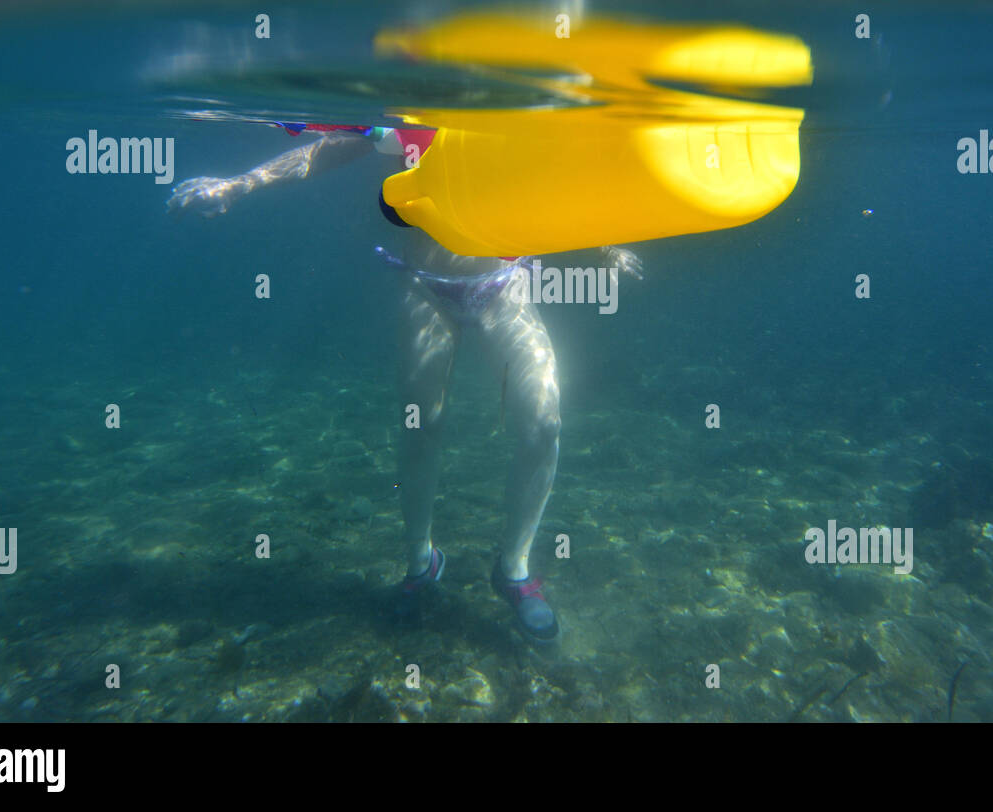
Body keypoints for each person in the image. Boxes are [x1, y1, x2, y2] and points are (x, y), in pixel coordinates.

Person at [169, 126, 643, 643]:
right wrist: (241, 183)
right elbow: (329, 146)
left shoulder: (514, 106)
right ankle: (421, 562)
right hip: (424, 285)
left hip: (504, 285)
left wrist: (604, 243)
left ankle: (514, 570)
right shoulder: (413, 111)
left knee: (543, 422)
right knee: (422, 423)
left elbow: (555, 172)